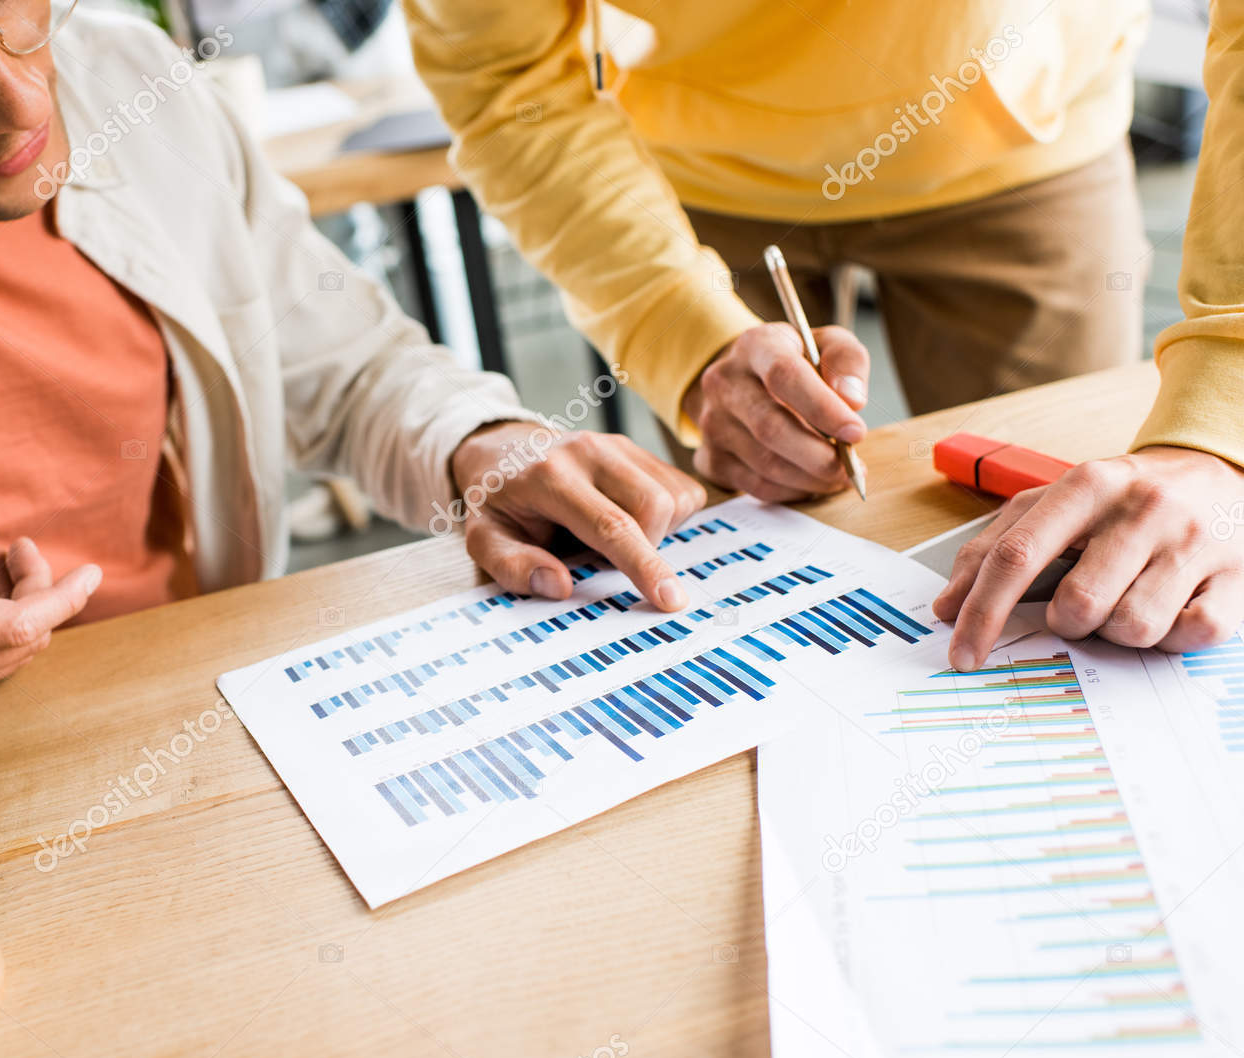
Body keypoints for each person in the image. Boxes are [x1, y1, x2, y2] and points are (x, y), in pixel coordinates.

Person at [0, 0, 709, 811]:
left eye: (8, 2)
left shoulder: (131, 81)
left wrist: (481, 444)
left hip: (229, 770)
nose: (26, 102)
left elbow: (346, 369)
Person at [404, 0, 1244, 672]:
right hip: (683, 188)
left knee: (1093, 548)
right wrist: (683, 331)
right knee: (764, 496)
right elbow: (501, 72)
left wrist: (1220, 431)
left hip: (1031, 142)